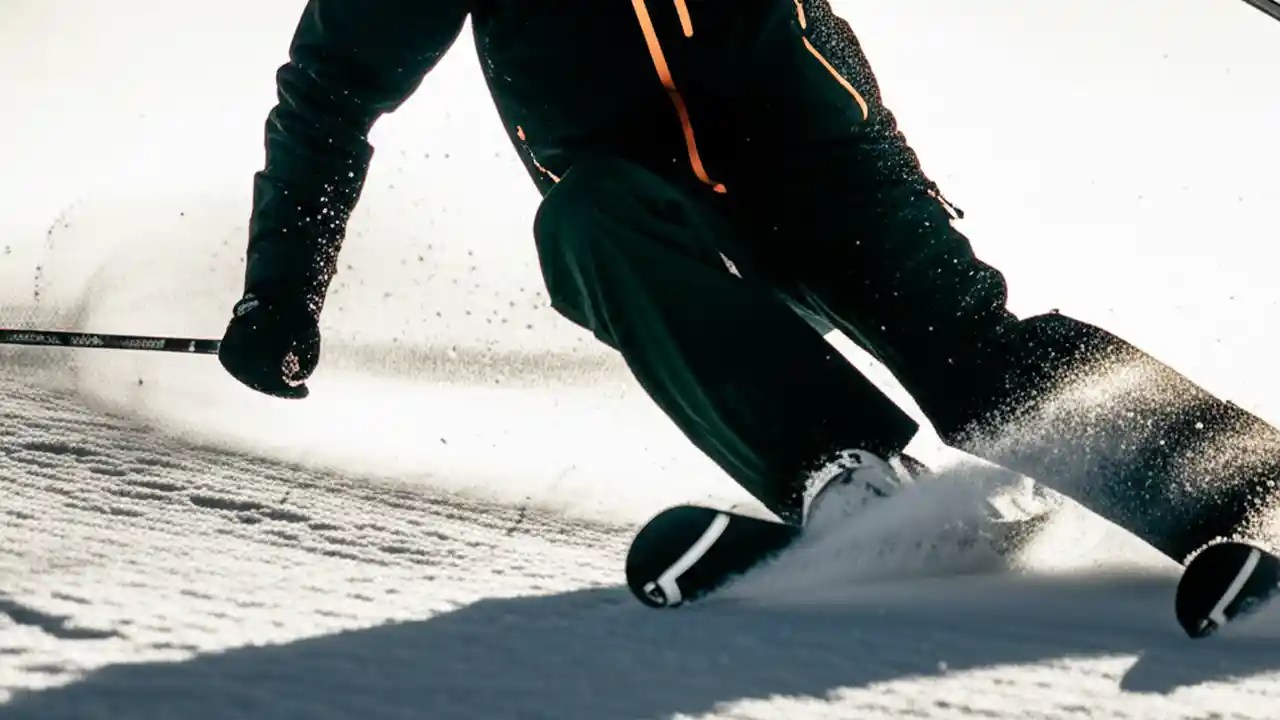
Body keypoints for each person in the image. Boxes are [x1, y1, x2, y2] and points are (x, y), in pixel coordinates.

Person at [217, 0, 1280, 635]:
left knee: (973, 362)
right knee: (584, 222)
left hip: (820, 160)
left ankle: (1254, 498)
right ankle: (853, 484)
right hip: (643, 209)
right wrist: (282, 289)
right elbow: (329, 93)